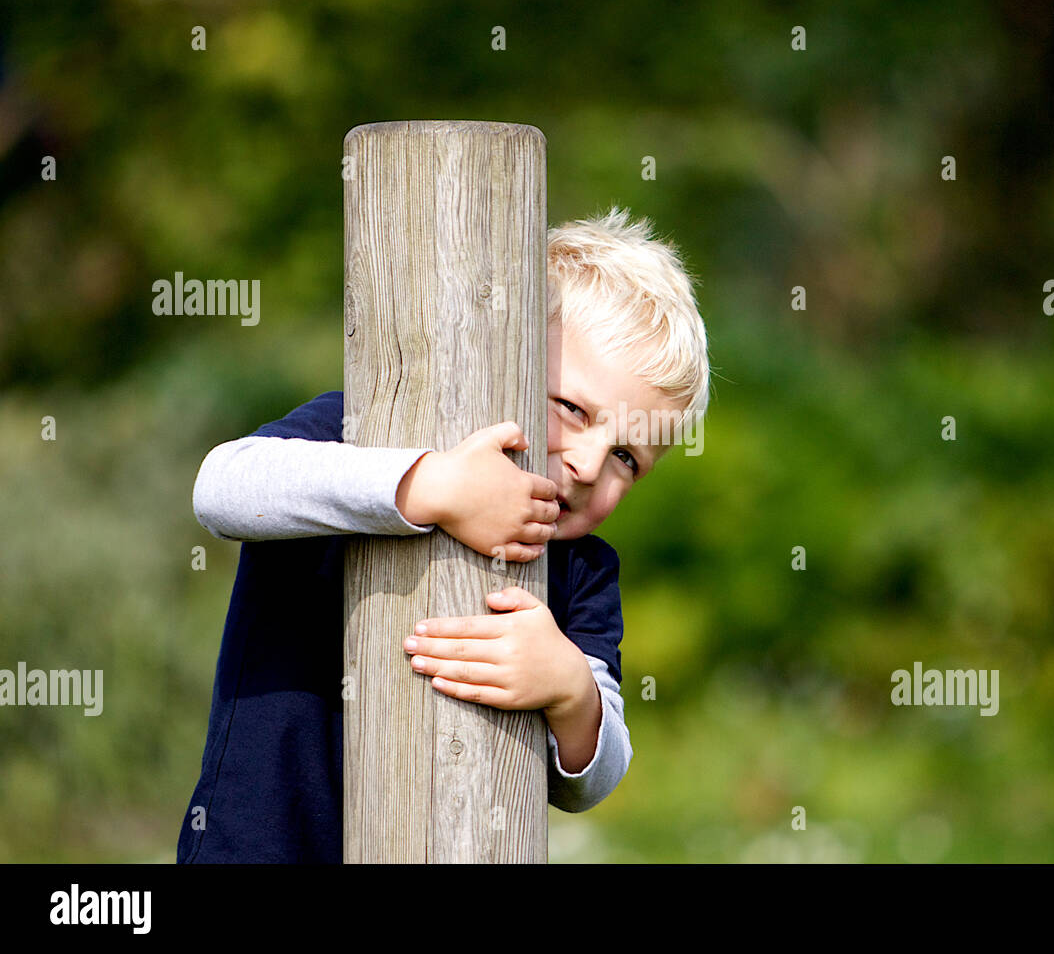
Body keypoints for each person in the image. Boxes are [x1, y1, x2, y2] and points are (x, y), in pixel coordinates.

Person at [177, 206, 711, 862]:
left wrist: (569, 689)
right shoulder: (369, 430)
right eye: (572, 409)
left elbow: (592, 780)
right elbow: (222, 487)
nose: (590, 464)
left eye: (628, 457)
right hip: (261, 848)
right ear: (505, 354)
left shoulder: (580, 569)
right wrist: (432, 487)